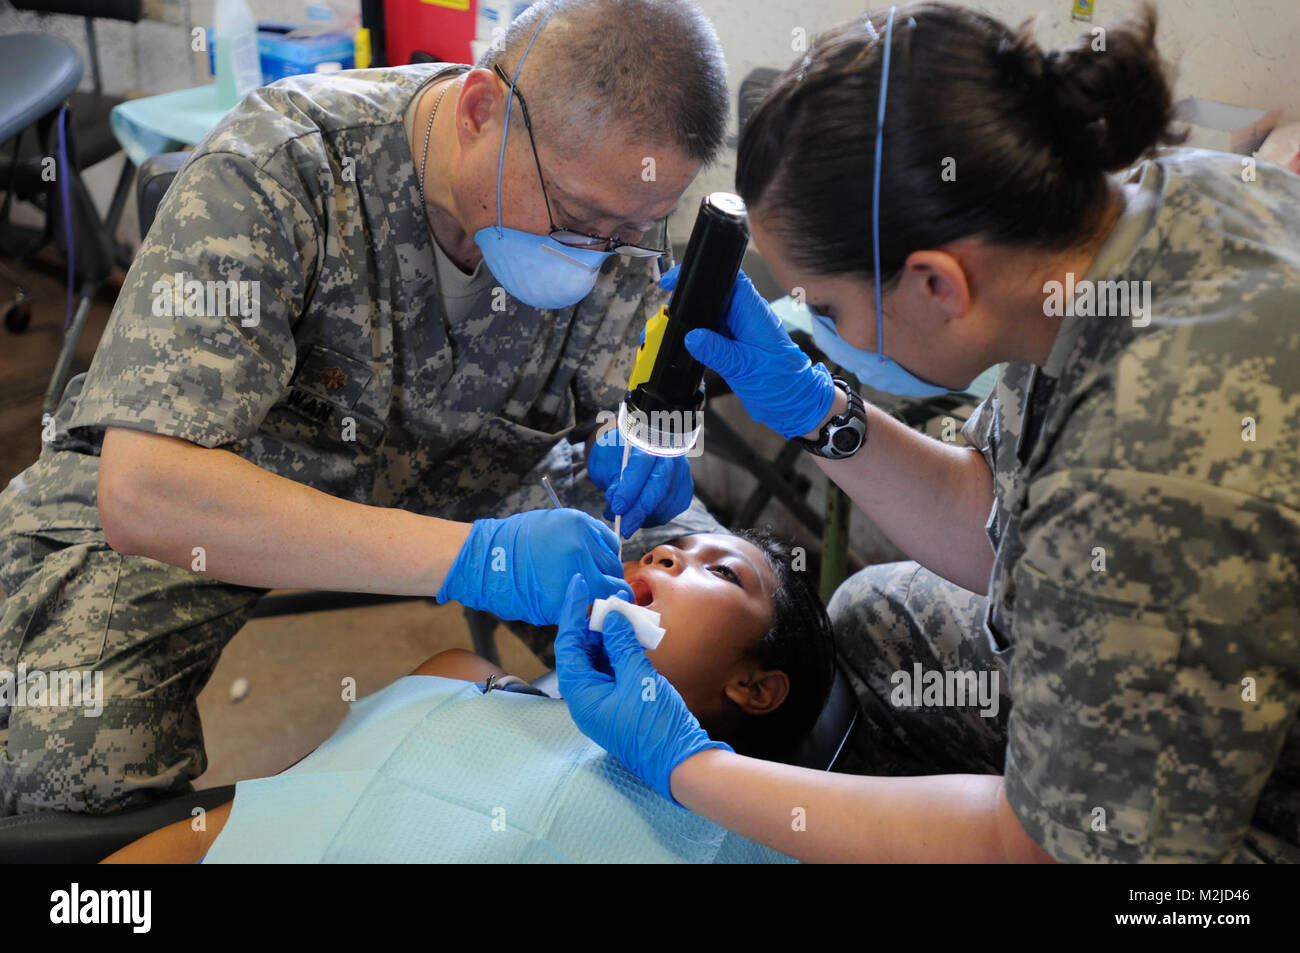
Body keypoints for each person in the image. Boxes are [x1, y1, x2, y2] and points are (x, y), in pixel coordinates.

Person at [555, 2, 1300, 863]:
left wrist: (690, 770)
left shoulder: (1146, 470)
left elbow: (1036, 846)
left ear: (937, 285)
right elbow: (1001, 519)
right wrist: (817, 411)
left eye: (827, 308)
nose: (819, 325)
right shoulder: (1151, 215)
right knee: (878, 616)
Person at [0, 0, 728, 816]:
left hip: (488, 475)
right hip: (228, 493)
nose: (598, 256)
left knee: (732, 655)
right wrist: (478, 559)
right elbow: (146, 493)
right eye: (578, 221)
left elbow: (612, 373)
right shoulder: (278, 167)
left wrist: (641, 436)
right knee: (61, 760)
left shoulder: (611, 194)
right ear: (480, 112)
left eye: (631, 233)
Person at [100, 531, 835, 863]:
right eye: (673, 544)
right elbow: (238, 824)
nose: (669, 553)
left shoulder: (753, 834)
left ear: (756, 688)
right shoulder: (459, 676)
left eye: (723, 572)